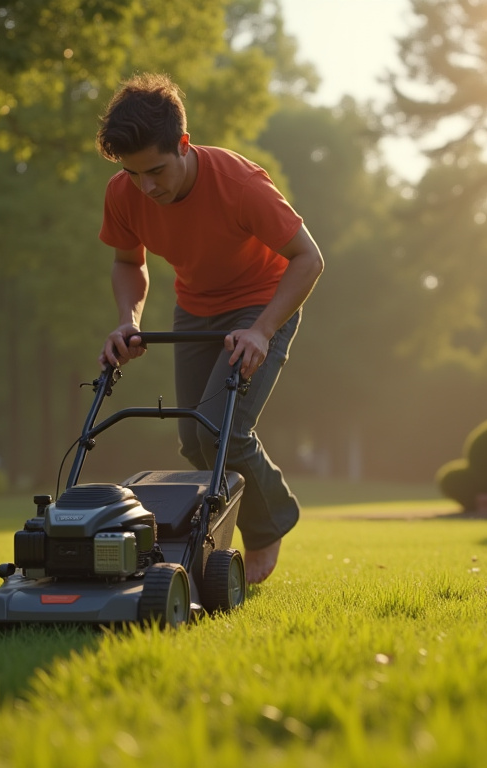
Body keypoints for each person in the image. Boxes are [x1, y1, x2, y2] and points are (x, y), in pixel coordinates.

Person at [95, 73, 323, 585]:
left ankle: (269, 524)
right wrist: (127, 321)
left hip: (265, 302)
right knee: (192, 440)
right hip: (195, 309)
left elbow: (309, 259)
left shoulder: (240, 185)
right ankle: (212, 539)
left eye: (155, 170)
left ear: (183, 144)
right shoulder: (124, 193)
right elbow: (128, 263)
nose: (146, 188)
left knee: (222, 430)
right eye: (133, 175)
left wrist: (263, 330)